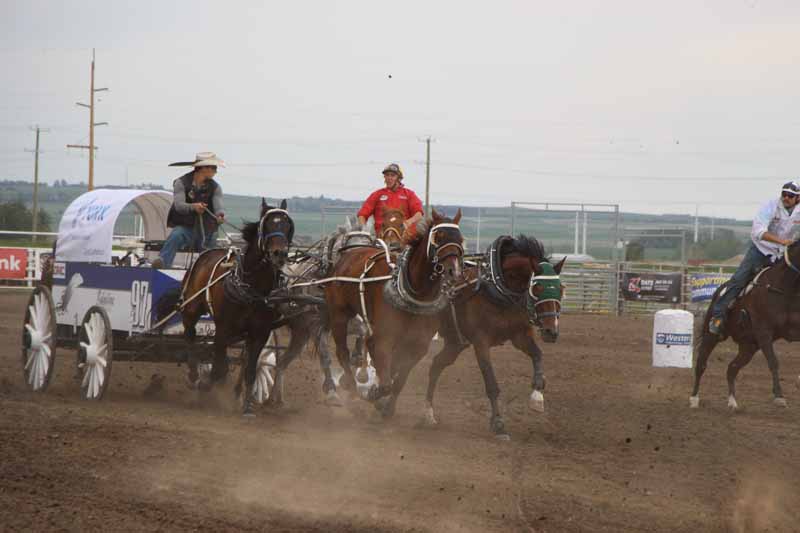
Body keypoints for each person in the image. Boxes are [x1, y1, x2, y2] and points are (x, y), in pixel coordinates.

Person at [708, 180, 800, 335]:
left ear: (798, 198)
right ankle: (717, 316)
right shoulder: (770, 206)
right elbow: (758, 231)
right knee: (739, 280)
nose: (786, 197)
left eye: (790, 195)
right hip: (760, 250)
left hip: (781, 253)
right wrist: (782, 241)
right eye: (784, 194)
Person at [151, 152, 226, 268]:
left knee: (211, 245)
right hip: (186, 229)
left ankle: (209, 270)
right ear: (203, 168)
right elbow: (179, 206)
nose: (216, 171)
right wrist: (193, 207)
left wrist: (220, 215)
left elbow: (219, 205)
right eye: (213, 168)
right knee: (176, 234)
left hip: (207, 230)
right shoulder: (181, 183)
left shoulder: (216, 187)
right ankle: (163, 263)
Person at [357, 163, 424, 236]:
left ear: (399, 178)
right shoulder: (377, 195)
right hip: (382, 238)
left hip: (405, 238)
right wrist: (364, 229)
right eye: (387, 175)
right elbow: (362, 214)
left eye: (392, 175)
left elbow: (419, 214)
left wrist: (408, 222)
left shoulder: (409, 194)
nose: (389, 178)